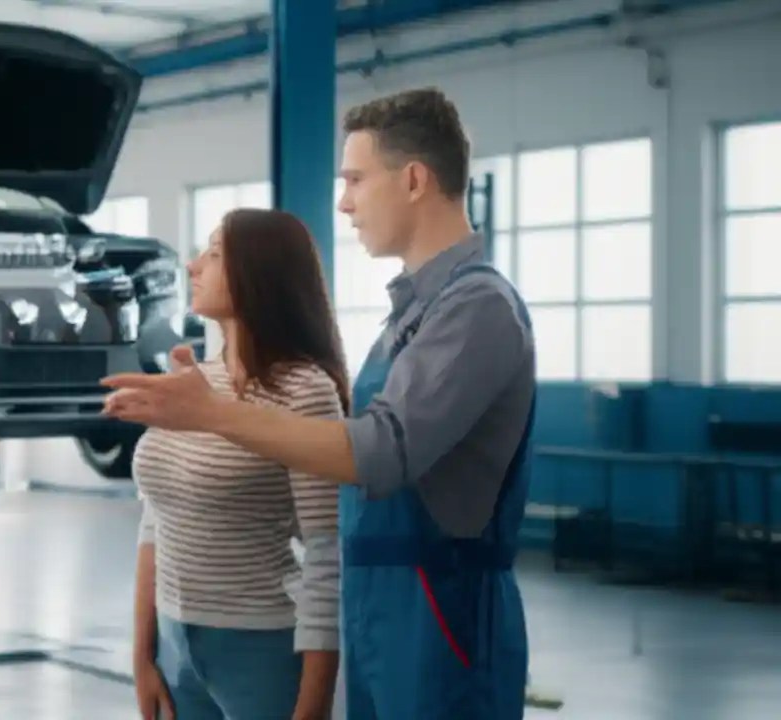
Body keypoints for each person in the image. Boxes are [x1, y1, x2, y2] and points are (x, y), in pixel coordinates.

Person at [103, 86, 537, 720]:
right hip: (385, 606)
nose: (344, 202)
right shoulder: (415, 315)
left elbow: (383, 453)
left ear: (414, 179)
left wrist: (213, 414)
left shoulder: (478, 309)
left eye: (357, 179)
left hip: (443, 611)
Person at [132, 208, 345, 720]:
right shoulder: (191, 382)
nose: (193, 264)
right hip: (173, 644)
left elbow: (326, 555)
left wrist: (312, 708)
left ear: (258, 273)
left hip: (261, 649)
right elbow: (155, 521)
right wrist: (141, 655)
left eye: (215, 252)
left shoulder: (306, 391)